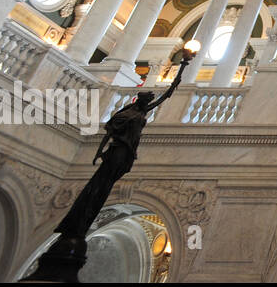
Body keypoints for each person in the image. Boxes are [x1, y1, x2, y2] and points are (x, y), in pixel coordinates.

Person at [53, 48, 194, 238]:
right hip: (117, 151)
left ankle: (79, 226)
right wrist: (99, 151)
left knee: (103, 187)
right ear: (140, 101)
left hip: (125, 154)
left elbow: (165, 97)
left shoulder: (142, 113)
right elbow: (109, 132)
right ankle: (75, 228)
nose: (149, 101)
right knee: (97, 188)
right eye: (147, 99)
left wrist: (179, 75)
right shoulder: (126, 115)